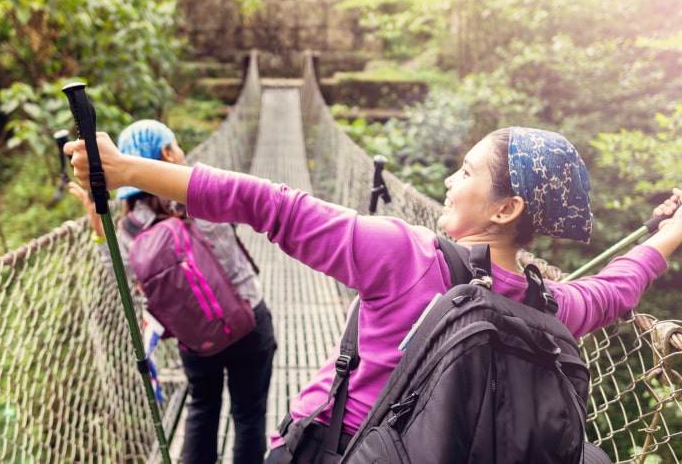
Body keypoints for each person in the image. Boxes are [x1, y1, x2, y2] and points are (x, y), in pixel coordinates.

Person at [65, 126, 682, 462]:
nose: (448, 179)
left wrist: (128, 173)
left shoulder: (405, 254)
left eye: (466, 172)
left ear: (507, 207)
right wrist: (671, 234)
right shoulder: (552, 307)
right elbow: (616, 290)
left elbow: (271, 206)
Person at [68, 119, 277, 464]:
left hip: (195, 336)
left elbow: (120, 275)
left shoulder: (130, 225)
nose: (182, 151)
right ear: (167, 153)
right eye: (176, 146)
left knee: (202, 409)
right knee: (249, 417)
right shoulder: (204, 198)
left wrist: (97, 226)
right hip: (248, 321)